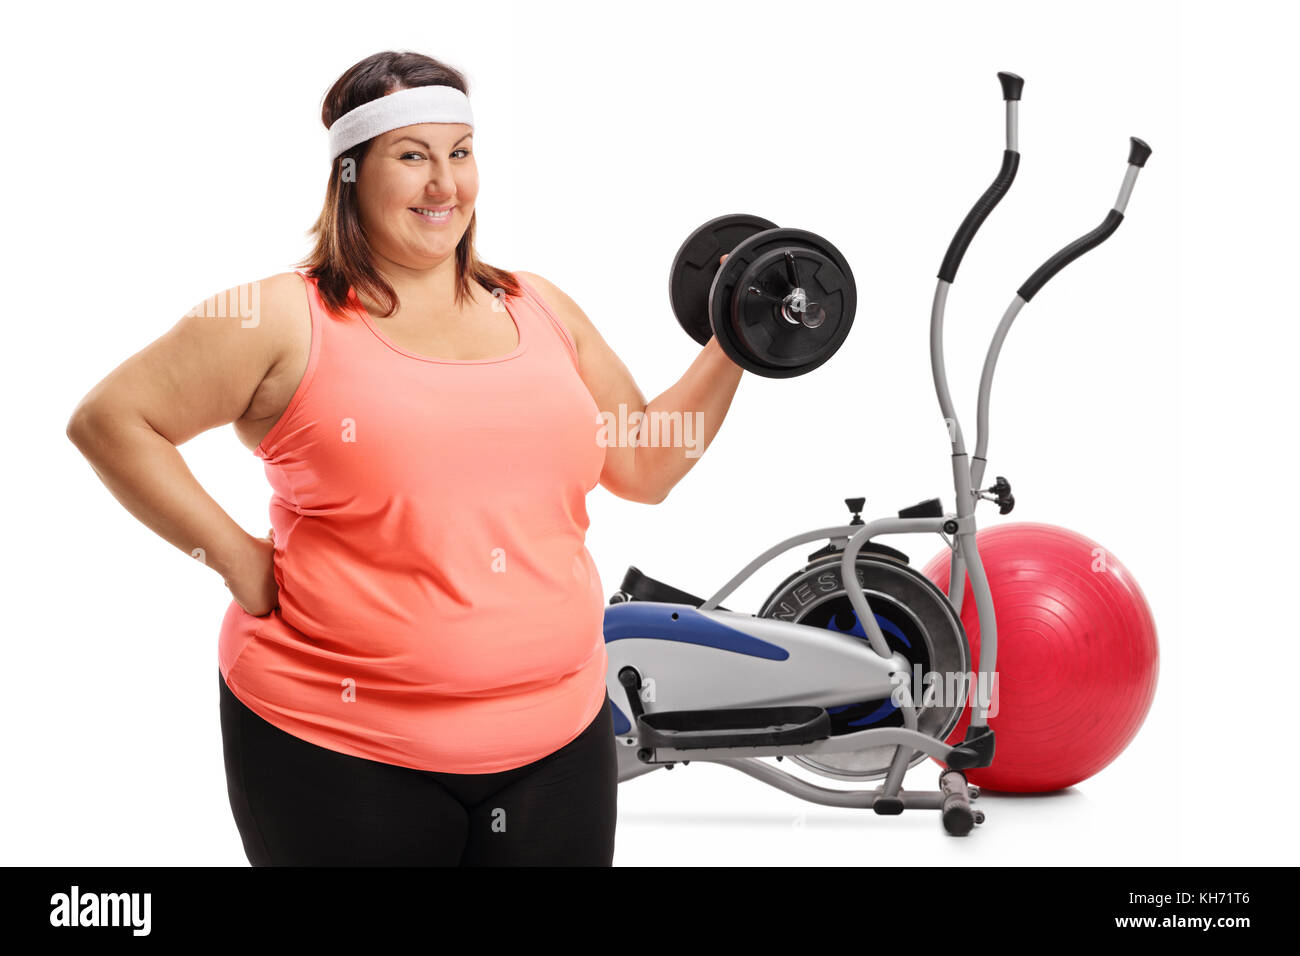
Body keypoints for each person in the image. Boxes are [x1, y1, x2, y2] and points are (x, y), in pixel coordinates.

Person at [64, 50, 745, 866]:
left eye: (459, 153)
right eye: (412, 156)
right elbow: (112, 420)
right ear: (350, 174)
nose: (444, 186)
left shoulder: (539, 306)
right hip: (338, 744)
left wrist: (739, 333)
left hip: (557, 738)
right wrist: (241, 563)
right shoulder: (284, 317)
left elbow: (645, 465)